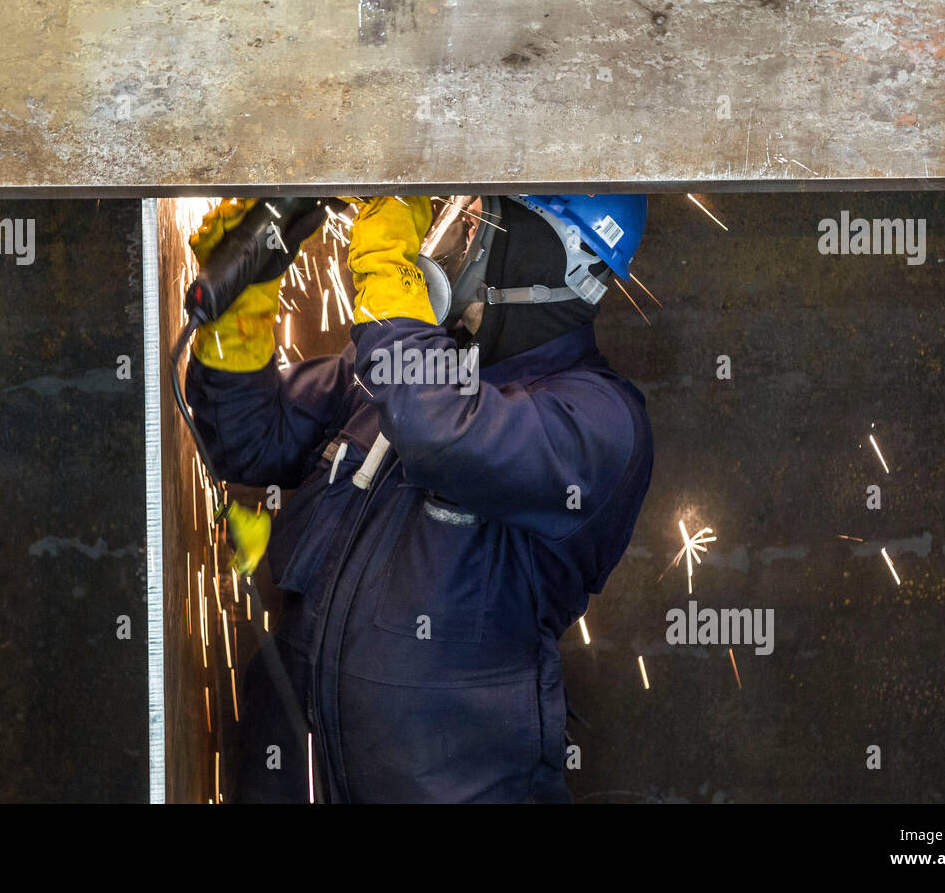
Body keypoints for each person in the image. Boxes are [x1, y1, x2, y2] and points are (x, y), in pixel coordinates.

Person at [185, 193, 654, 802]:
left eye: (471, 221)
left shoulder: (597, 423)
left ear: (542, 254)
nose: (444, 238)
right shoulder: (407, 370)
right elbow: (247, 441)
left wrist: (387, 289)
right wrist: (242, 307)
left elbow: (437, 431)